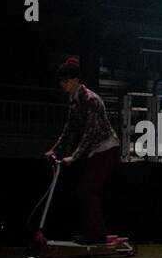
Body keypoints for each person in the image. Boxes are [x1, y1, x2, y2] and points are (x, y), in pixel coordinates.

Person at [44, 57, 121, 245]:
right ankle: (95, 232)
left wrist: (75, 157)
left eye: (66, 81)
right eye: (61, 82)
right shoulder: (74, 101)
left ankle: (97, 234)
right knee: (84, 190)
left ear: (75, 80)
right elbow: (69, 129)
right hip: (95, 150)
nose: (63, 85)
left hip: (107, 147)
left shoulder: (91, 100)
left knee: (87, 189)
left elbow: (89, 133)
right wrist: (54, 149)